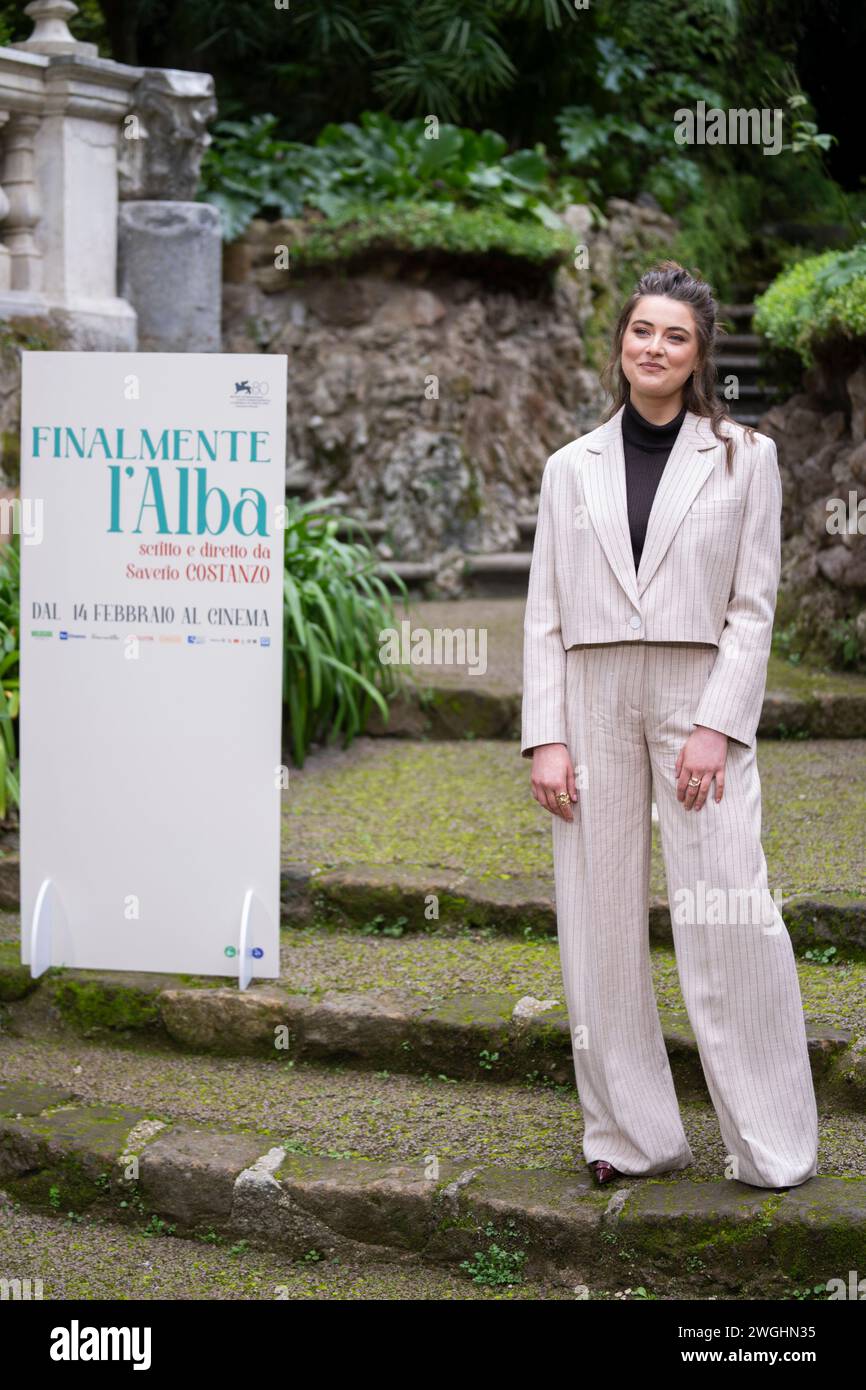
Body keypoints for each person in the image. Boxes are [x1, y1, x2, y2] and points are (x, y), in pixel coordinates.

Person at [520, 260, 818, 1191]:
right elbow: (543, 613)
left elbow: (755, 607)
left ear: (698, 356)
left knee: (731, 908)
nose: (654, 347)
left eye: (674, 336)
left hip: (699, 698)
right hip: (590, 696)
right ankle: (630, 1136)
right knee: (598, 925)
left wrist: (718, 726)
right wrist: (548, 737)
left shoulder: (745, 458)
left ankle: (771, 1142)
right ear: (622, 344)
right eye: (641, 330)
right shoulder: (569, 467)